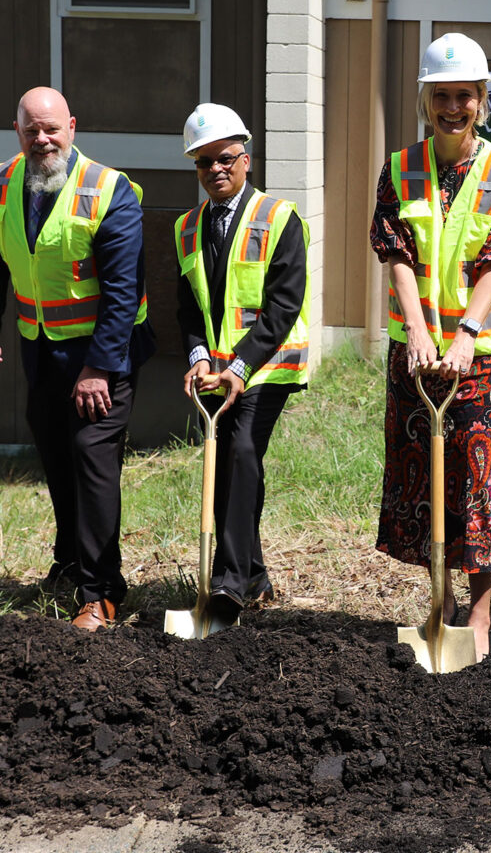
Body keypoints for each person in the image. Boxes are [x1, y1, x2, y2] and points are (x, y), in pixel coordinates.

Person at [369, 32, 491, 660]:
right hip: (416, 354)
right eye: (441, 96)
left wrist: (466, 333)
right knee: (425, 480)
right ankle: (439, 602)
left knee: (481, 481)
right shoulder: (399, 168)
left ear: (482, 100)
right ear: (425, 100)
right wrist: (416, 328)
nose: (452, 108)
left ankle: (481, 609)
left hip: (483, 354)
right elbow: (396, 252)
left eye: (464, 96)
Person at [0, 87, 155, 632]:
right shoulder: (0, 182)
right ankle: (70, 562)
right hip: (41, 349)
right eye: (32, 129)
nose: (42, 139)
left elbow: (124, 290)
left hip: (103, 355)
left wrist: (99, 369)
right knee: (55, 454)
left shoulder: (109, 189)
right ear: (17, 131)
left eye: (52, 128)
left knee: (91, 457)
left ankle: (101, 592)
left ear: (72, 126)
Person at [175, 103, 310, 624]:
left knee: (242, 451)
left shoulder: (279, 218)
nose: (215, 169)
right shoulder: (187, 229)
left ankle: (227, 582)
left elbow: (285, 304)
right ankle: (253, 574)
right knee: (228, 461)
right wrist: (197, 355)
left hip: (266, 365)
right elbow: (188, 305)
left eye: (225, 158)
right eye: (204, 161)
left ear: (246, 160)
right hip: (215, 372)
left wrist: (241, 366)